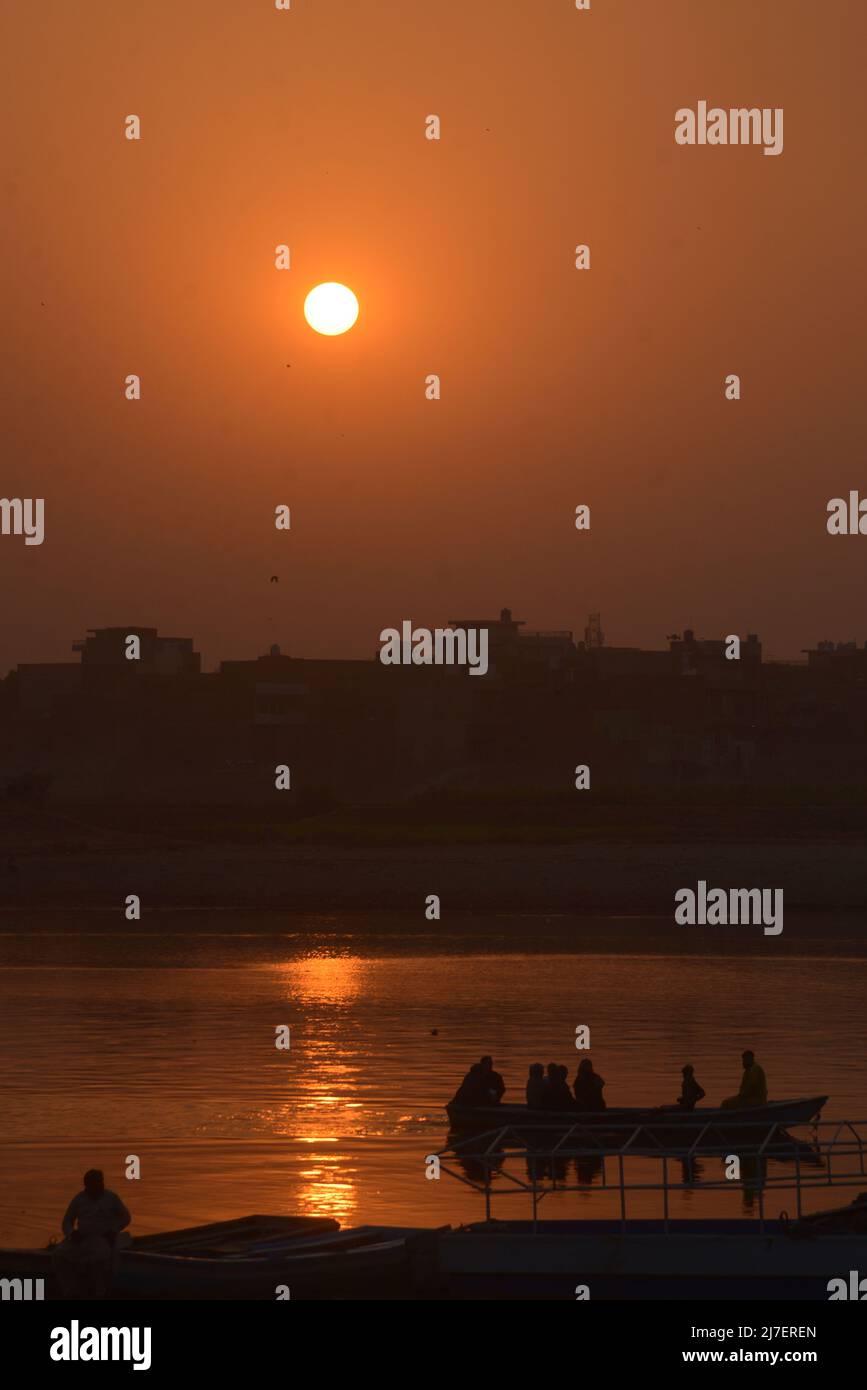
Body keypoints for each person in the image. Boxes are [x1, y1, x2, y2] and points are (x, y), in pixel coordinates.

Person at [52, 1169, 131, 1299]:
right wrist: (71, 1234)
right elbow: (67, 1221)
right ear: (87, 1184)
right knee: (58, 1255)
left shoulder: (111, 1197)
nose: (100, 1184)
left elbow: (125, 1217)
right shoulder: (79, 1199)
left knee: (99, 1258)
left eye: (100, 1181)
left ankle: (100, 1292)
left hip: (103, 1238)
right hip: (81, 1238)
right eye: (96, 1182)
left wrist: (114, 1230)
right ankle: (69, 1290)